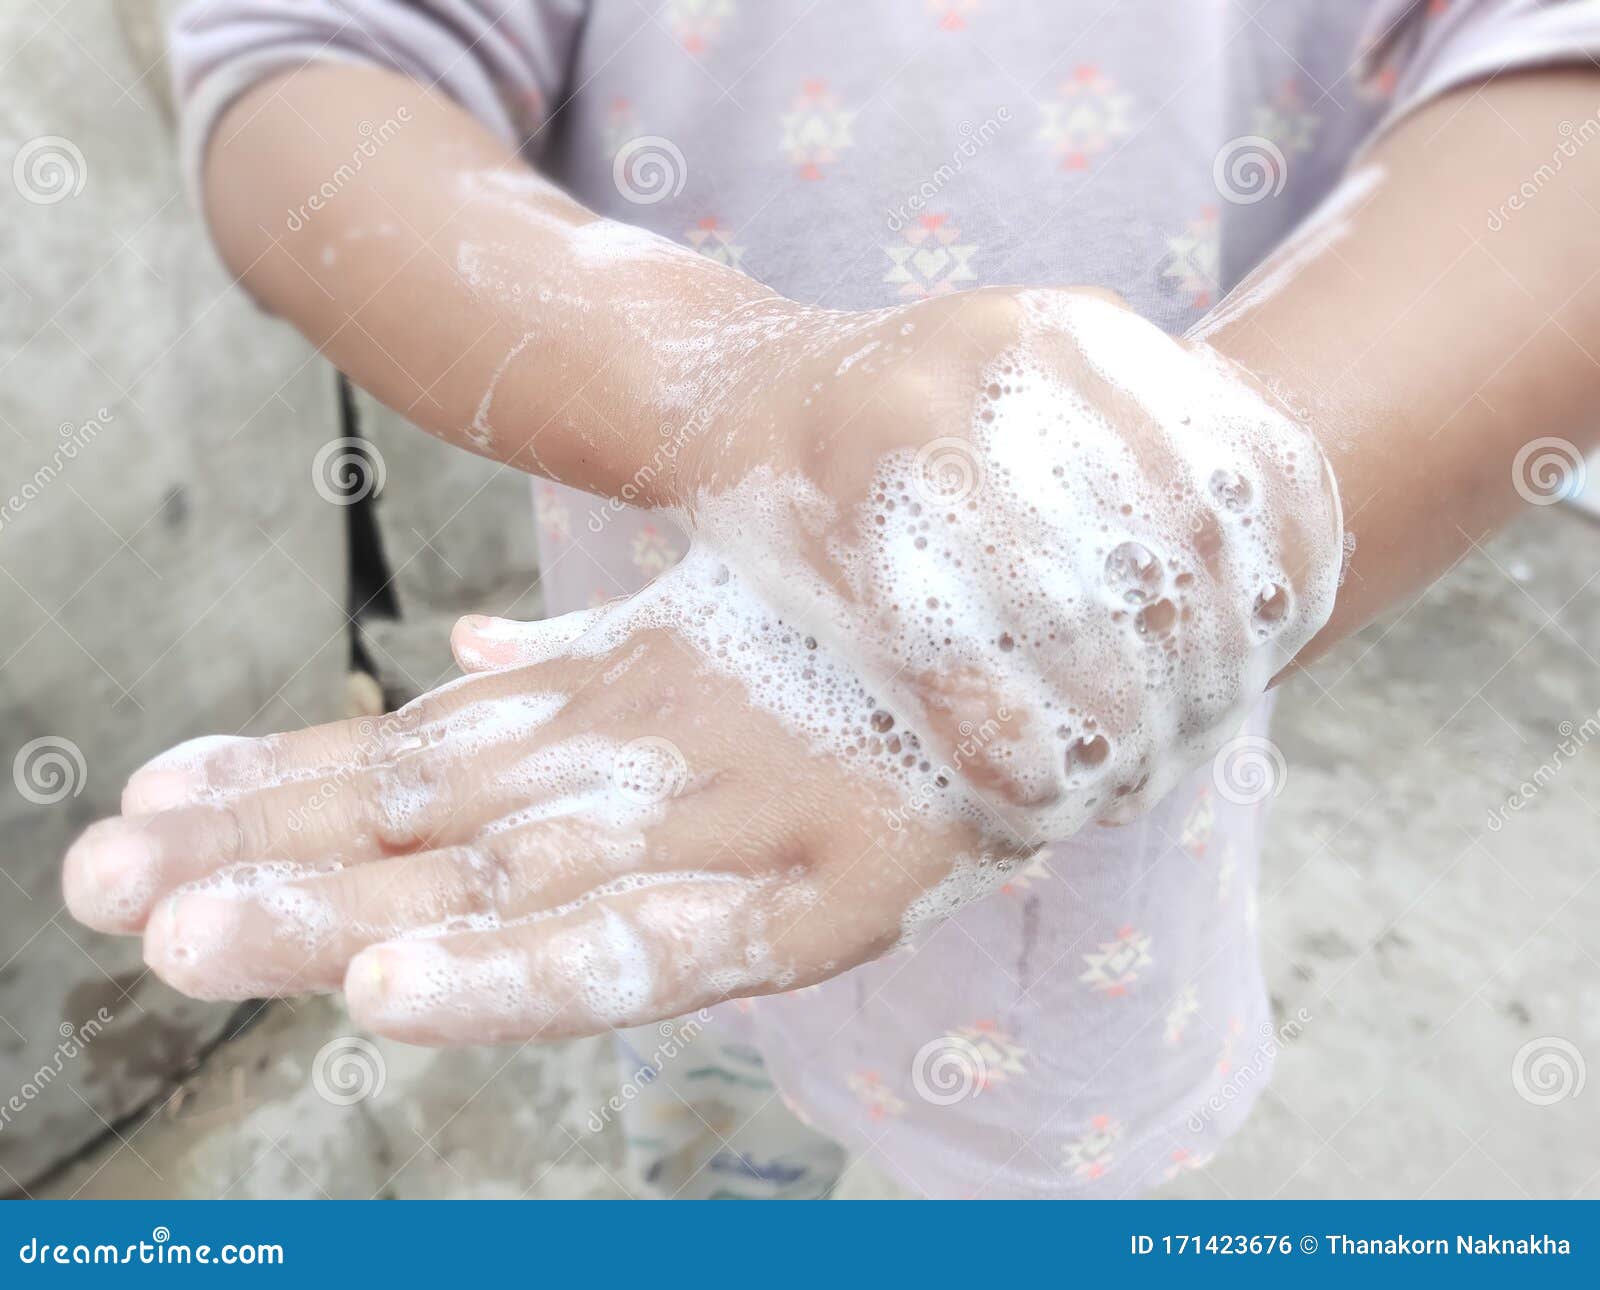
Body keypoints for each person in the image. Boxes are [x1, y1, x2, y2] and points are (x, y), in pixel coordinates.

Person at [63, 1, 1600, 1198]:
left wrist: (1220, 497)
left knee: (1043, 1176)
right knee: (713, 1133)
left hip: (1102, 843)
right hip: (653, 778)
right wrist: (727, 390)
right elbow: (315, 66)